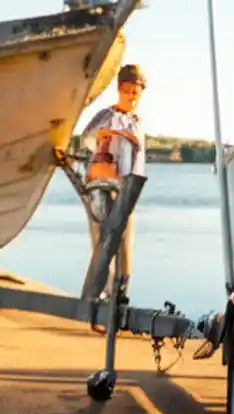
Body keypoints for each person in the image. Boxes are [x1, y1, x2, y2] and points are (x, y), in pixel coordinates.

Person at [79, 64, 146, 297]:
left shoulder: (137, 122)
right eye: (126, 90)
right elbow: (86, 140)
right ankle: (96, 298)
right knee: (103, 244)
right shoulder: (106, 115)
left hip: (127, 192)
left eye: (135, 91)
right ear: (119, 89)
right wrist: (104, 137)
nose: (131, 95)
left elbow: (139, 161)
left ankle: (119, 297)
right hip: (102, 188)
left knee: (125, 247)